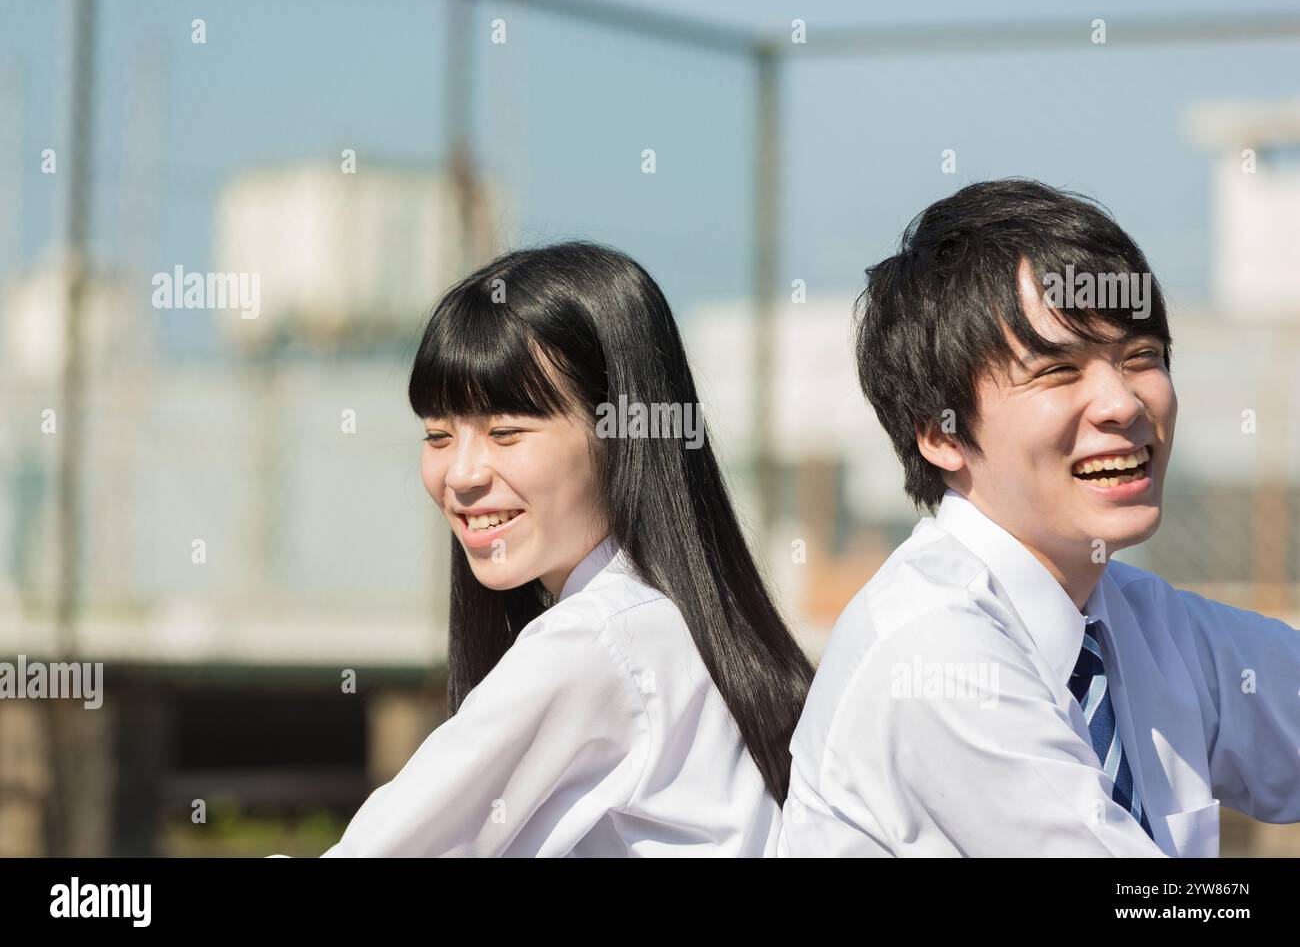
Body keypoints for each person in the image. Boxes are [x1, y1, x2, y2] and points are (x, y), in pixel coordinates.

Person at [779, 178, 1300, 857]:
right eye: (1058, 371)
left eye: (1139, 358)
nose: (1122, 403)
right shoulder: (933, 652)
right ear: (937, 432)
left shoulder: (1136, 619)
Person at [323, 241, 814, 857]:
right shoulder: (674, 625)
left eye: (506, 432)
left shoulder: (595, 641)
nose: (462, 474)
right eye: (438, 435)